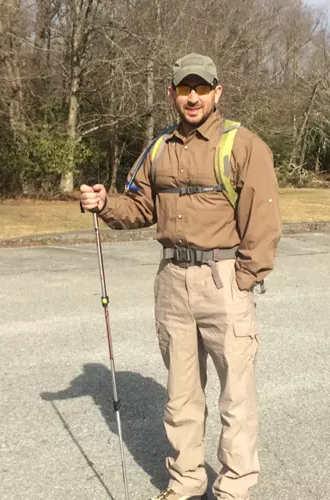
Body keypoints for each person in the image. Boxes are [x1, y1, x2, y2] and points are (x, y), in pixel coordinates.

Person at [80, 53, 282, 500]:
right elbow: (139, 208)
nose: (193, 97)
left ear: (217, 92)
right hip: (172, 279)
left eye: (202, 88)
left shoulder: (244, 145)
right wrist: (104, 202)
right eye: (184, 89)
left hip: (224, 279)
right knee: (181, 393)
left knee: (236, 394)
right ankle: (186, 481)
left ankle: (234, 487)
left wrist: (245, 277)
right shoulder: (159, 148)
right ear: (171, 94)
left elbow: (264, 221)